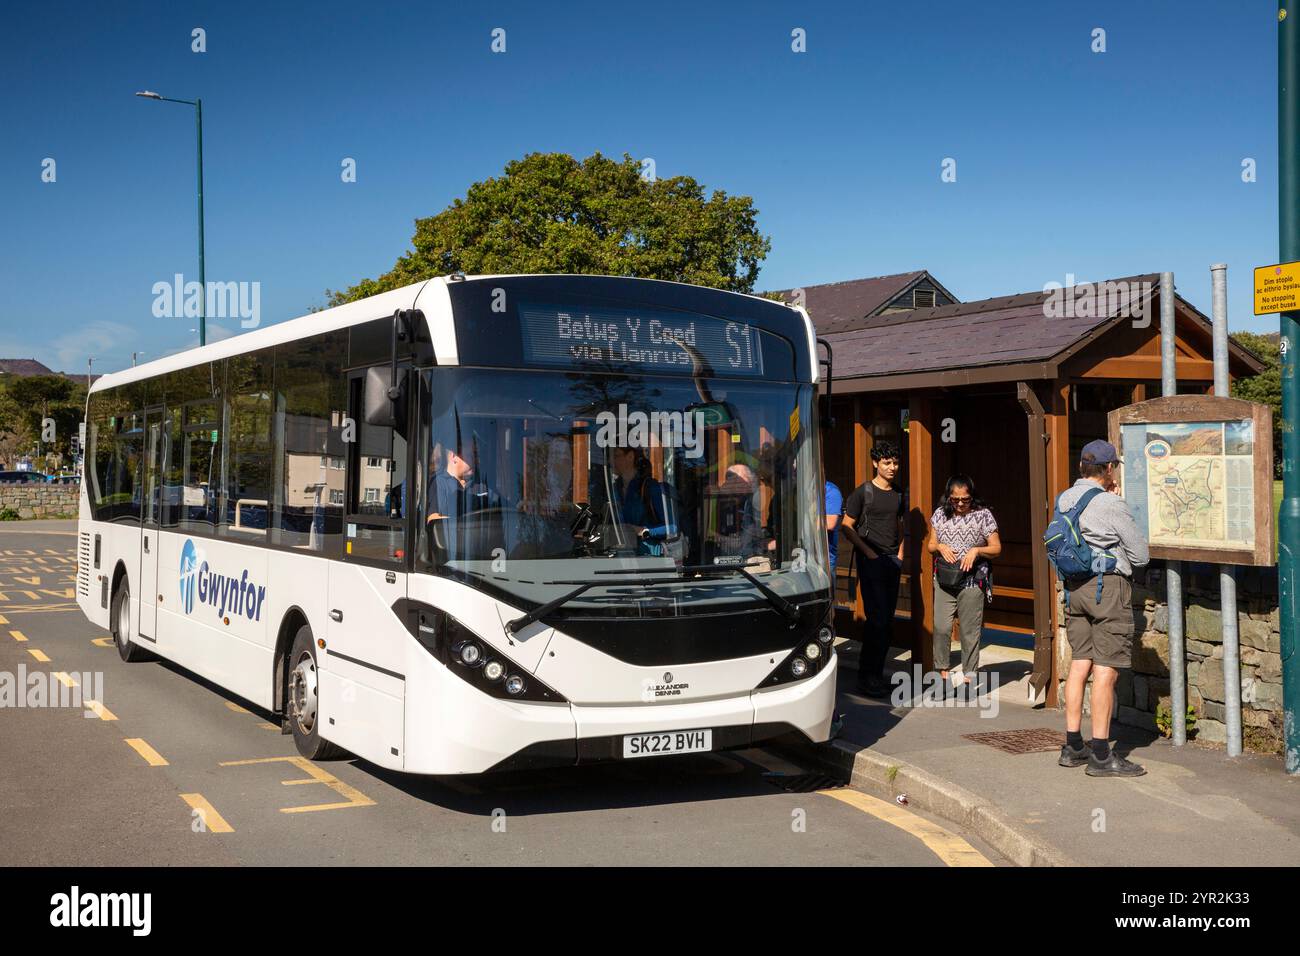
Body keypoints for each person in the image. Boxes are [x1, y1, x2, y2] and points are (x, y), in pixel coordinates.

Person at [1056, 439, 1150, 778]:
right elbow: (1140, 556)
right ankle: (1100, 754)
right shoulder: (1111, 502)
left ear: (1082, 467)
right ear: (1109, 469)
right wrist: (1119, 500)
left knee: (1080, 663)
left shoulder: (1065, 497)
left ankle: (1072, 745)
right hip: (1107, 589)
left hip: (1074, 589)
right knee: (1106, 673)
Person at [840, 441, 905, 698]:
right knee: (876, 621)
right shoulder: (863, 492)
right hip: (871, 562)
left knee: (886, 621)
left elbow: (900, 525)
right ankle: (867, 678)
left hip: (891, 561)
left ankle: (875, 676)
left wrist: (900, 554)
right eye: (887, 462)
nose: (892, 467)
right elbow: (846, 526)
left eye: (895, 462)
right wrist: (869, 553)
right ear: (876, 463)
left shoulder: (898, 494)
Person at [926, 474, 1001, 689]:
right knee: (941, 627)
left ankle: (970, 678)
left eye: (965, 499)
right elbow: (931, 544)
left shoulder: (983, 515)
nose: (960, 503)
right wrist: (941, 547)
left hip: (971, 579)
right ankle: (941, 675)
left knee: (969, 631)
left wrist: (976, 550)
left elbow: (996, 548)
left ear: (972, 497)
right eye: (955, 499)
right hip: (944, 579)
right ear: (948, 498)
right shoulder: (940, 514)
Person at [825, 477, 844, 572]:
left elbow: (829, 524)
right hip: (797, 556)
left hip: (824, 560)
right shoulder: (796, 489)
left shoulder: (830, 490)